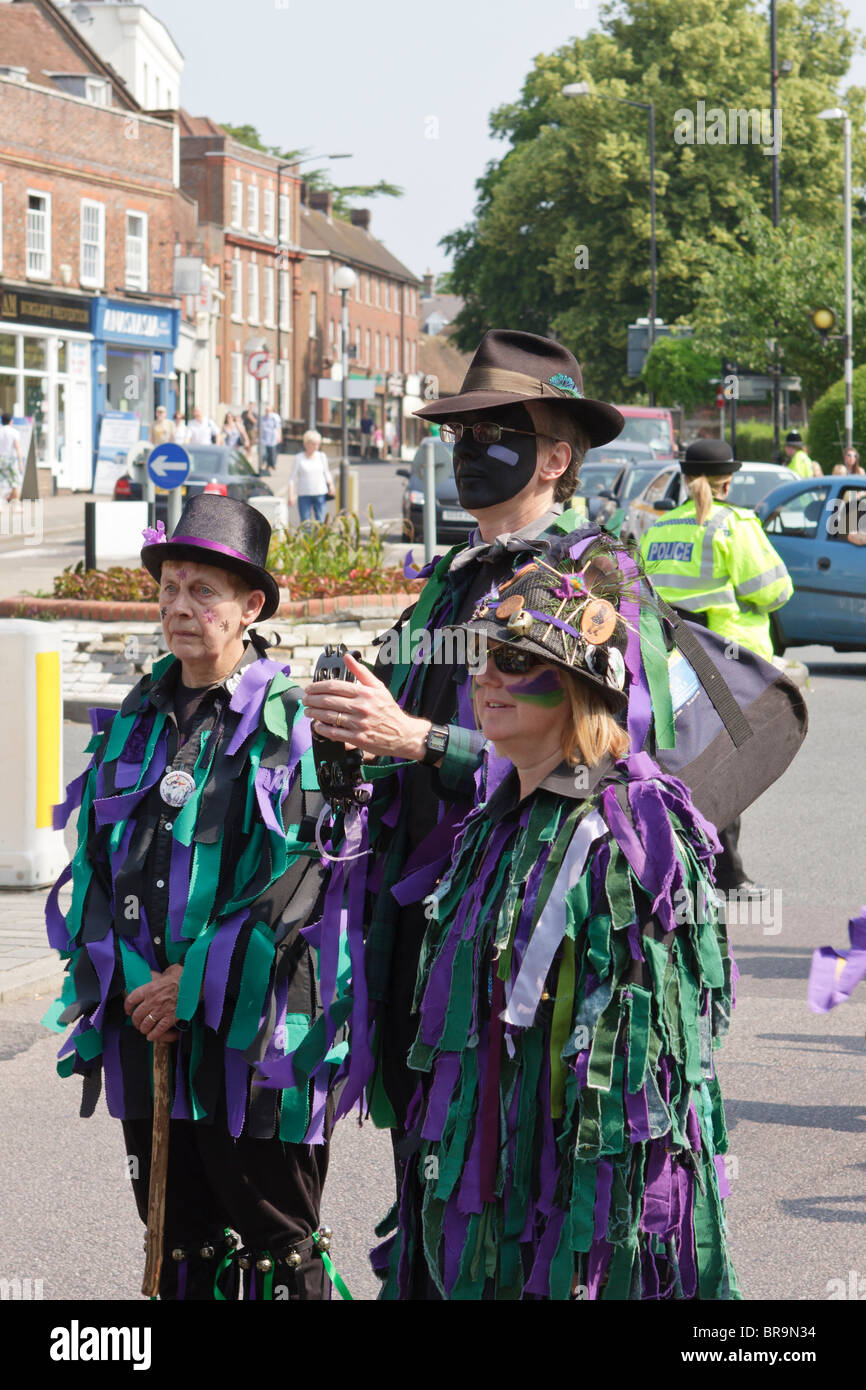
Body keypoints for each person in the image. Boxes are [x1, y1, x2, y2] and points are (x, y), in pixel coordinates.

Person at [302, 330, 639, 1164]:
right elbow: (400, 722)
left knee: (498, 1193)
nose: (470, 451)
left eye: (496, 433)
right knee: (424, 1185)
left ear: (556, 458)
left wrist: (421, 741)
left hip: (521, 936)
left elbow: (600, 772)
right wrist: (348, 722)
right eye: (460, 434)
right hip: (421, 922)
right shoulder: (455, 578)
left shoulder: (586, 579)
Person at [374, 547, 739, 1300]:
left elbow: (641, 1063)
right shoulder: (495, 820)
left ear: (579, 686)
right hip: (496, 1178)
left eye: (515, 660)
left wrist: (586, 1218)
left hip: (585, 1205)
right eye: (482, 658)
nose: (486, 677)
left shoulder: (627, 834)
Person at [44, 495, 342, 1301]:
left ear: (250, 607)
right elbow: (101, 863)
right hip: (148, 1024)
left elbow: (301, 878)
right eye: (169, 586)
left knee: (273, 1241)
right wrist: (131, 978)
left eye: (202, 591)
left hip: (255, 1031)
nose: (179, 607)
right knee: (177, 1236)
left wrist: (198, 982)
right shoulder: (136, 718)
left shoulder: (289, 722)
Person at [640, 438, 793, 900]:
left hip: (671, 663)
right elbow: (775, 591)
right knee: (724, 766)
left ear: (686, 478)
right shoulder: (735, 525)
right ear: (729, 479)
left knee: (682, 763)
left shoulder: (660, 527)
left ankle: (680, 870)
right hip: (728, 665)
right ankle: (728, 878)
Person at [288, 430, 334, 523]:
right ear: (306, 444)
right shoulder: (299, 458)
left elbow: (326, 472)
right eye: (313, 444)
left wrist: (331, 485)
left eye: (317, 444)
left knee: (321, 521)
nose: (316, 446)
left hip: (320, 493)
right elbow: (292, 478)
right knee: (305, 523)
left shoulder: (321, 456)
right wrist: (290, 495)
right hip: (304, 494)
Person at [0, 411, 23, 502]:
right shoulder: (14, 432)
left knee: (0, 482)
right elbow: (17, 447)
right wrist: (20, 462)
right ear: (11, 421)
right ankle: (16, 505)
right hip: (10, 459)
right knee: (15, 482)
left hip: (0, 458)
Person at [260, 405, 282, 475]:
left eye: (269, 410)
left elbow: (278, 428)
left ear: (271, 411)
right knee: (263, 454)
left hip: (272, 440)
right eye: (266, 410)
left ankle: (269, 469)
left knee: (271, 455)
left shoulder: (274, 418)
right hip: (264, 439)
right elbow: (258, 428)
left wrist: (279, 436)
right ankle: (262, 468)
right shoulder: (262, 418)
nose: (267, 412)